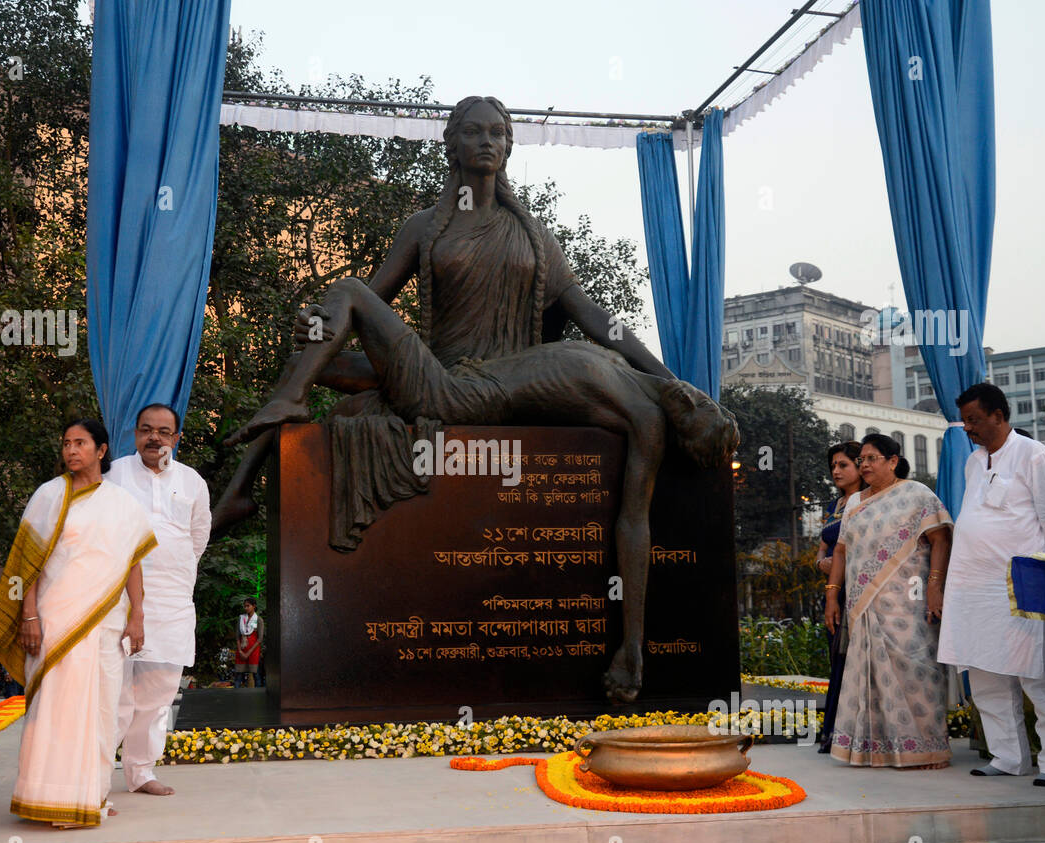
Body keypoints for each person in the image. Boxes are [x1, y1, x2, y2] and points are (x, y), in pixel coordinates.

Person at [215, 96, 738, 703]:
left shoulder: (535, 239)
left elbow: (598, 319)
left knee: (335, 343)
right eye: (473, 132)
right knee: (321, 341)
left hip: (471, 391)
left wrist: (670, 375)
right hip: (436, 369)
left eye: (497, 133)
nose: (487, 142)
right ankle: (245, 480)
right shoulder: (424, 228)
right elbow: (373, 305)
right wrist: (317, 327)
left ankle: (271, 428)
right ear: (451, 144)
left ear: (509, 147)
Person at [0, 419, 155, 828]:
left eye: (80, 443)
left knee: (101, 709)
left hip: (108, 625)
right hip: (55, 620)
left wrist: (138, 615)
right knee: (55, 708)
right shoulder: (49, 495)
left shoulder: (123, 503)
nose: (71, 450)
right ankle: (48, 796)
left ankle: (91, 794)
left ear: (101, 450)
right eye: (66, 443)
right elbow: (27, 565)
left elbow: (132, 563)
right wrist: (28, 615)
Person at [937, 383, 1045, 784]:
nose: (968, 428)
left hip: (1023, 578)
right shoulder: (973, 461)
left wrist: (1040, 558)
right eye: (965, 420)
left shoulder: (1034, 454)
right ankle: (1007, 756)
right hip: (973, 584)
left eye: (974, 420)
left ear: (999, 415)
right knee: (984, 671)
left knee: (1036, 673)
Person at [824, 433, 954, 768]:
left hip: (908, 601)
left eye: (871, 459)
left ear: (893, 461)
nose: (864, 465)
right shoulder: (855, 503)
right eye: (862, 459)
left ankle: (927, 748)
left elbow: (940, 539)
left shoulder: (916, 494)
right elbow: (840, 551)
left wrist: (936, 587)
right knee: (869, 673)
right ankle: (875, 748)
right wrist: (831, 596)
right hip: (864, 605)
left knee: (916, 668)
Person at [107, 404, 211, 797]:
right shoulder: (113, 474)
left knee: (159, 694)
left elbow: (198, 537)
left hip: (172, 603)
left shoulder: (192, 482)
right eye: (147, 430)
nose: (155, 438)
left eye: (163, 432)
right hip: (118, 601)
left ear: (176, 437)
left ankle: (141, 772)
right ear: (135, 434)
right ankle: (96, 778)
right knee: (115, 695)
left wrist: (173, 566)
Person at [814, 441, 864, 752]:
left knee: (855, 660)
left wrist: (844, 564)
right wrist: (823, 564)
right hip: (833, 591)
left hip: (859, 589)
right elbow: (821, 548)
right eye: (833, 465)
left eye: (843, 465)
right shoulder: (835, 505)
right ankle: (834, 733)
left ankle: (856, 733)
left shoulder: (867, 502)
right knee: (837, 662)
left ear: (861, 467)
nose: (836, 471)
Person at [234, 598, 264, 688]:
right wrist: (240, 651)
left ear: (254, 606)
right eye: (245, 606)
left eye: (248, 606)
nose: (246, 608)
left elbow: (260, 639)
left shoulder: (259, 620)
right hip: (241, 651)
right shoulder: (241, 619)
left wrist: (248, 653)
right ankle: (236, 697)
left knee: (256, 676)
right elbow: (237, 636)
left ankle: (258, 698)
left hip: (253, 652)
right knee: (238, 676)